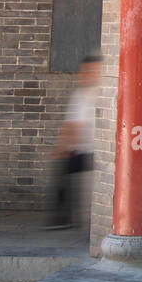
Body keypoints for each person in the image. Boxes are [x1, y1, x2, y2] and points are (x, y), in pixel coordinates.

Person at [44, 52, 99, 230]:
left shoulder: (105, 92)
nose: (87, 75)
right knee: (63, 166)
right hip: (85, 150)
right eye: (85, 71)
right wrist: (63, 147)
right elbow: (72, 125)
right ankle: (62, 216)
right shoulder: (80, 95)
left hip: (101, 152)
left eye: (91, 71)